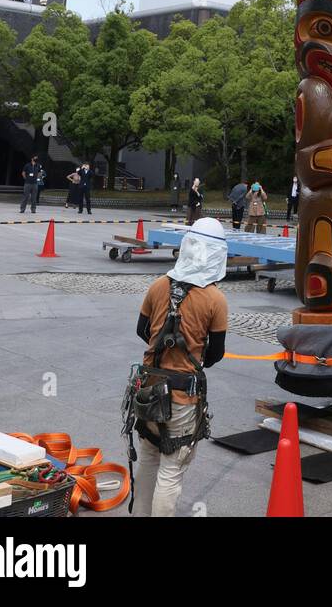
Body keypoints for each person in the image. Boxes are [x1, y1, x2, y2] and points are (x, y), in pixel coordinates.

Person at [128, 218, 228, 517]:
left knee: (148, 459)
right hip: (183, 397)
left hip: (148, 387)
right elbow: (216, 354)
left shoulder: (159, 285)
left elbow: (142, 329)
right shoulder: (215, 299)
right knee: (171, 470)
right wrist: (191, 357)